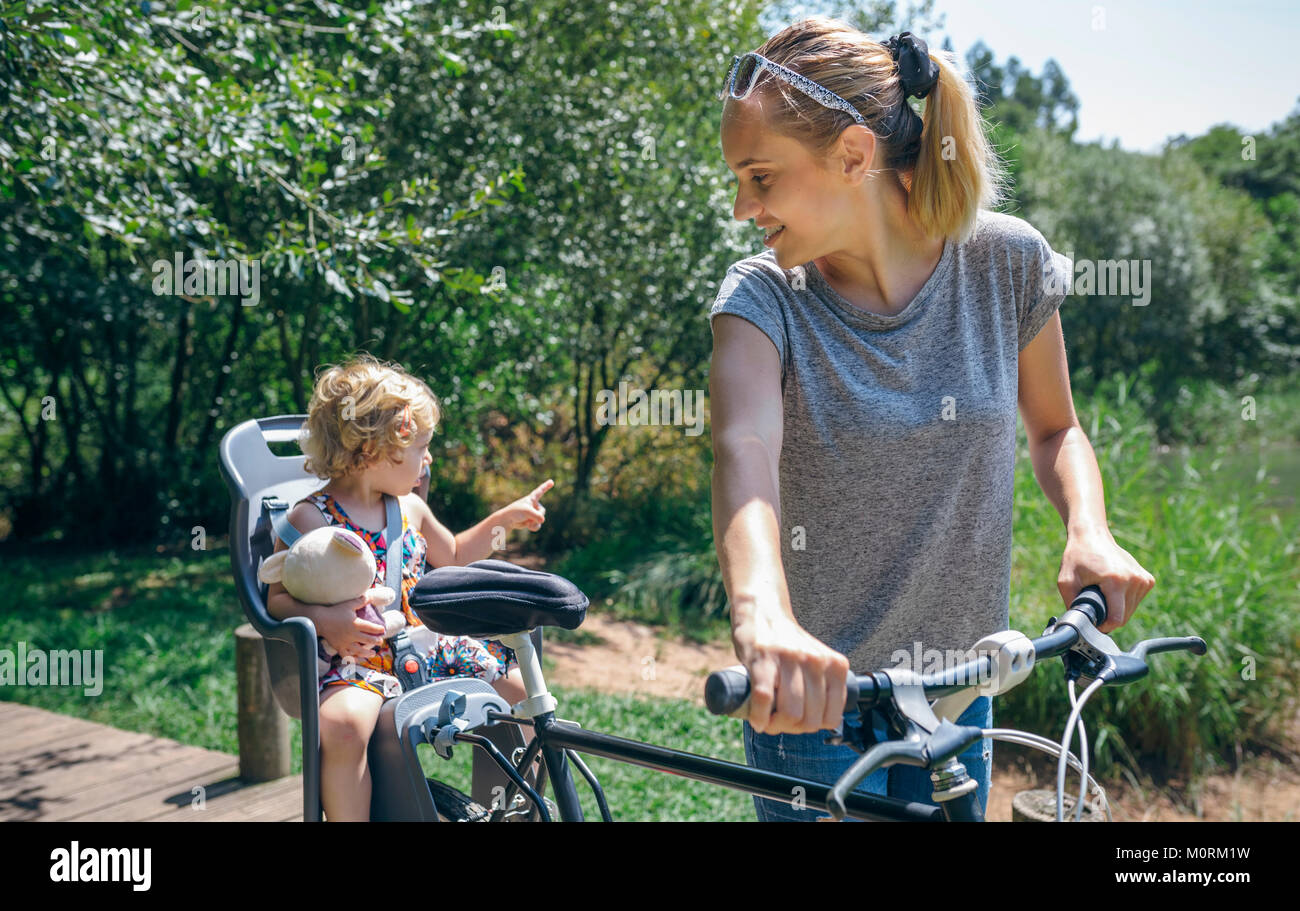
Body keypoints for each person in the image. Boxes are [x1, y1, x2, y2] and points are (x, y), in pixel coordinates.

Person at [708, 17, 1156, 821]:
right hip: (815, 701)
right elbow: (744, 451)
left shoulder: (1006, 262)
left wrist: (1088, 527)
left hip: (965, 687)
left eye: (761, 176)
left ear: (852, 155)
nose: (743, 207)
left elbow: (1056, 429)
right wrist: (761, 614)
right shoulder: (764, 296)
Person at [264, 353, 553, 821]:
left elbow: (455, 554)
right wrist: (326, 619)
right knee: (341, 726)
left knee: (522, 693)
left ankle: (518, 811)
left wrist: (504, 520)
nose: (428, 459)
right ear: (373, 450)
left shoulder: (409, 509)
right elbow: (275, 600)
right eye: (421, 447)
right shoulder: (309, 518)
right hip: (357, 662)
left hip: (429, 648)